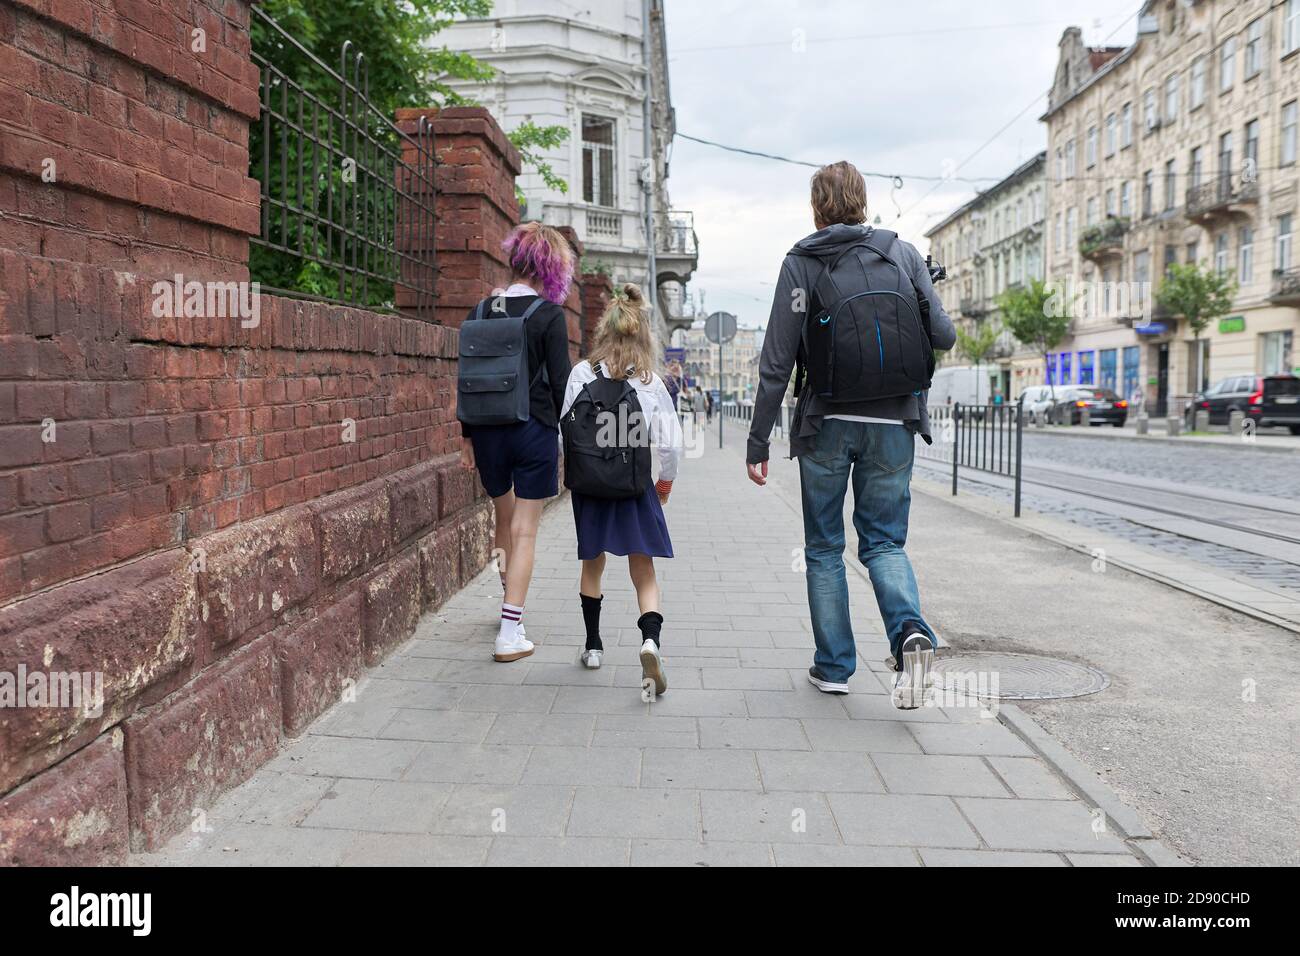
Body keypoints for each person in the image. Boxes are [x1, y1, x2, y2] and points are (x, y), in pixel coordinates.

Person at [745, 161, 956, 708]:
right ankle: (910, 634)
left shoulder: (802, 262)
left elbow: (776, 360)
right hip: (895, 421)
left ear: (816, 206)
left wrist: (758, 441)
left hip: (828, 423)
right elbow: (944, 336)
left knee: (824, 547)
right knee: (884, 541)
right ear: (863, 201)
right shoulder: (903, 253)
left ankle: (835, 666)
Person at [458, 222, 575, 663]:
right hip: (533, 430)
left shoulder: (480, 310)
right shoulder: (548, 315)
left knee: (502, 520)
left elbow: (466, 379)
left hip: (487, 431)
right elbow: (562, 385)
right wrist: (574, 439)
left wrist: (466, 437)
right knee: (526, 529)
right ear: (550, 267)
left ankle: (511, 611)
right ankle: (510, 631)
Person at [561, 284, 683, 696]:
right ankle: (650, 641)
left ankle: (593, 647)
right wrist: (664, 482)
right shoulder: (650, 382)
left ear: (603, 331)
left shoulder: (582, 373)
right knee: (643, 570)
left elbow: (566, 430)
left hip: (592, 487)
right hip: (633, 487)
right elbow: (671, 444)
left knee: (592, 564)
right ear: (642, 334)